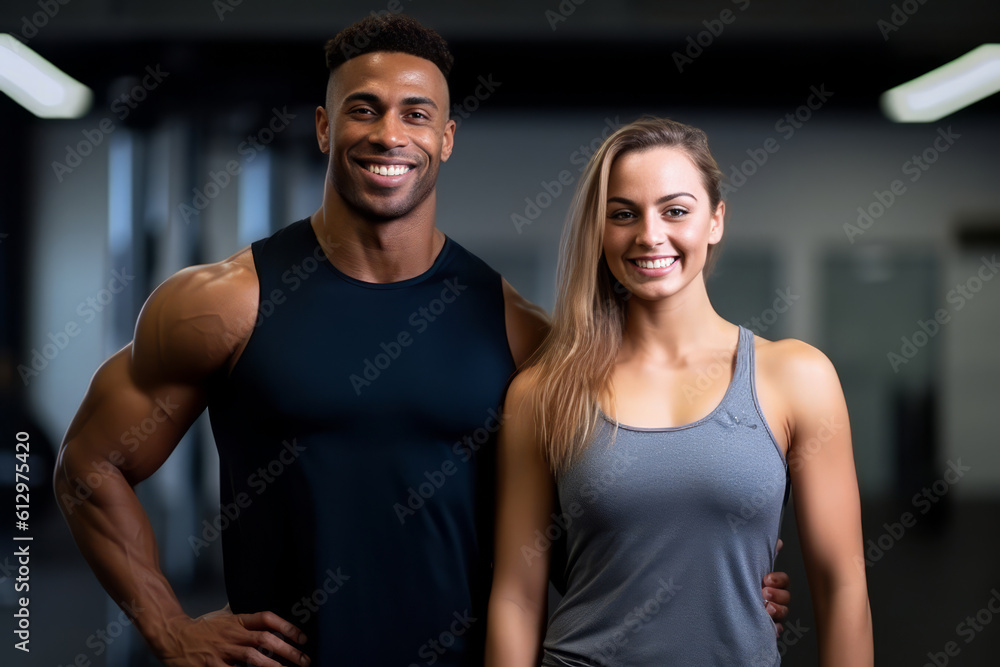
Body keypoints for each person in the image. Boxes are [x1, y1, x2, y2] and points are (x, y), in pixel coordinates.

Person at [54, 16, 791, 666]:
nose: (388, 134)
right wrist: (168, 626)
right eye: (363, 110)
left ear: (445, 138)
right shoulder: (223, 303)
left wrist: (713, 566)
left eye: (416, 114)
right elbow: (88, 464)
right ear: (323, 127)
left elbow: (581, 525)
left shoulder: (518, 329)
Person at [486, 117, 873, 666]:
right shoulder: (543, 392)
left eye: (675, 210)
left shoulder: (797, 377)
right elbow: (516, 599)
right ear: (600, 232)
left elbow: (843, 587)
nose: (649, 234)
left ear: (715, 220)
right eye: (623, 214)